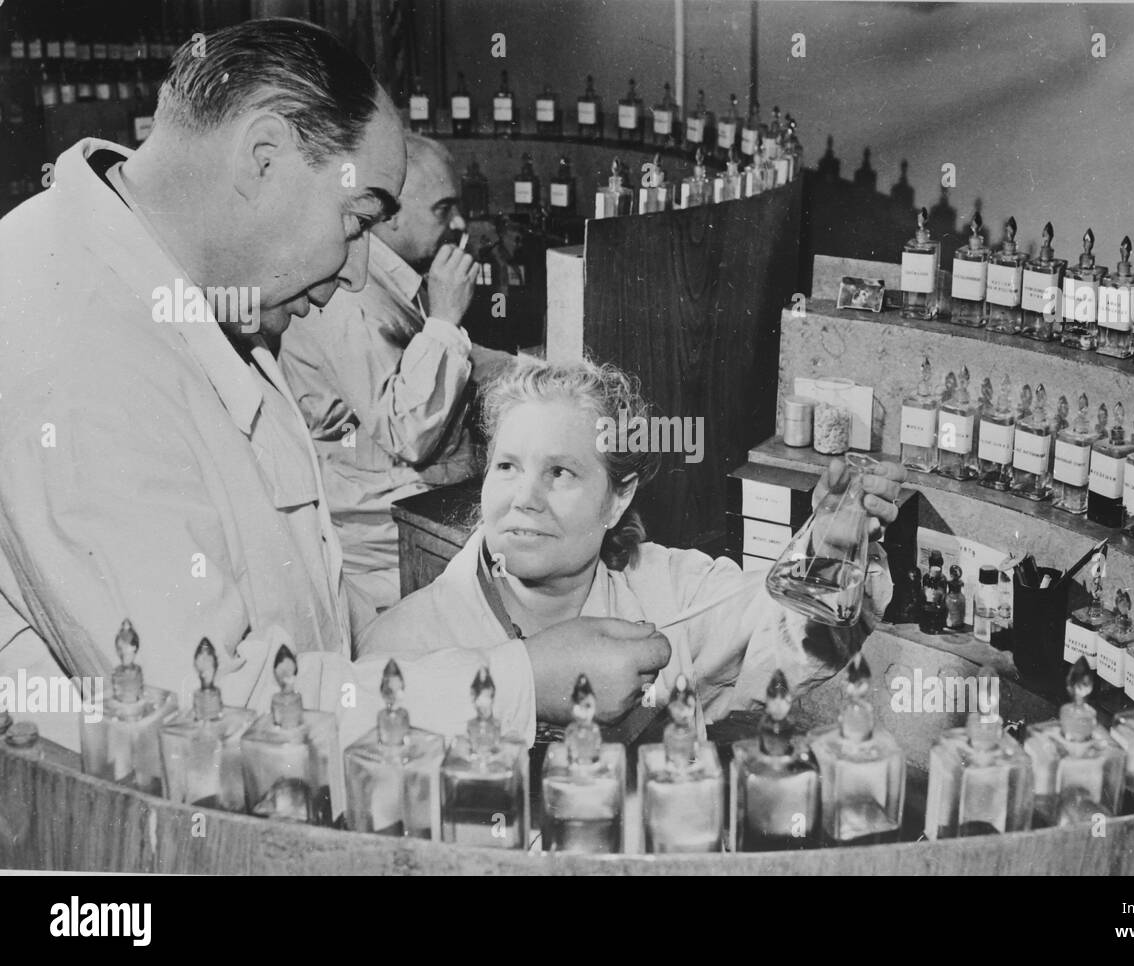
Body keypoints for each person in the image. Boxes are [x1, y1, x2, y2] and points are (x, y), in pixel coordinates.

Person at [0, 20, 671, 750]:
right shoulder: (79, 346)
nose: (356, 271)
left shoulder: (184, 288)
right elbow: (202, 715)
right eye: (356, 221)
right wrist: (519, 683)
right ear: (264, 156)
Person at [355, 356, 905, 738]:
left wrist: (830, 552)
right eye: (506, 467)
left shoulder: (672, 590)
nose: (525, 498)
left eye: (561, 472)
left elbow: (784, 635)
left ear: (617, 501)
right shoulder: (403, 642)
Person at [279, 134, 514, 615]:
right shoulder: (348, 297)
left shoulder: (392, 274)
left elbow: (429, 363)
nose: (458, 223)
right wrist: (446, 318)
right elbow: (408, 433)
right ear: (390, 213)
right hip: (378, 538)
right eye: (443, 208)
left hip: (397, 499)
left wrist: (525, 371)